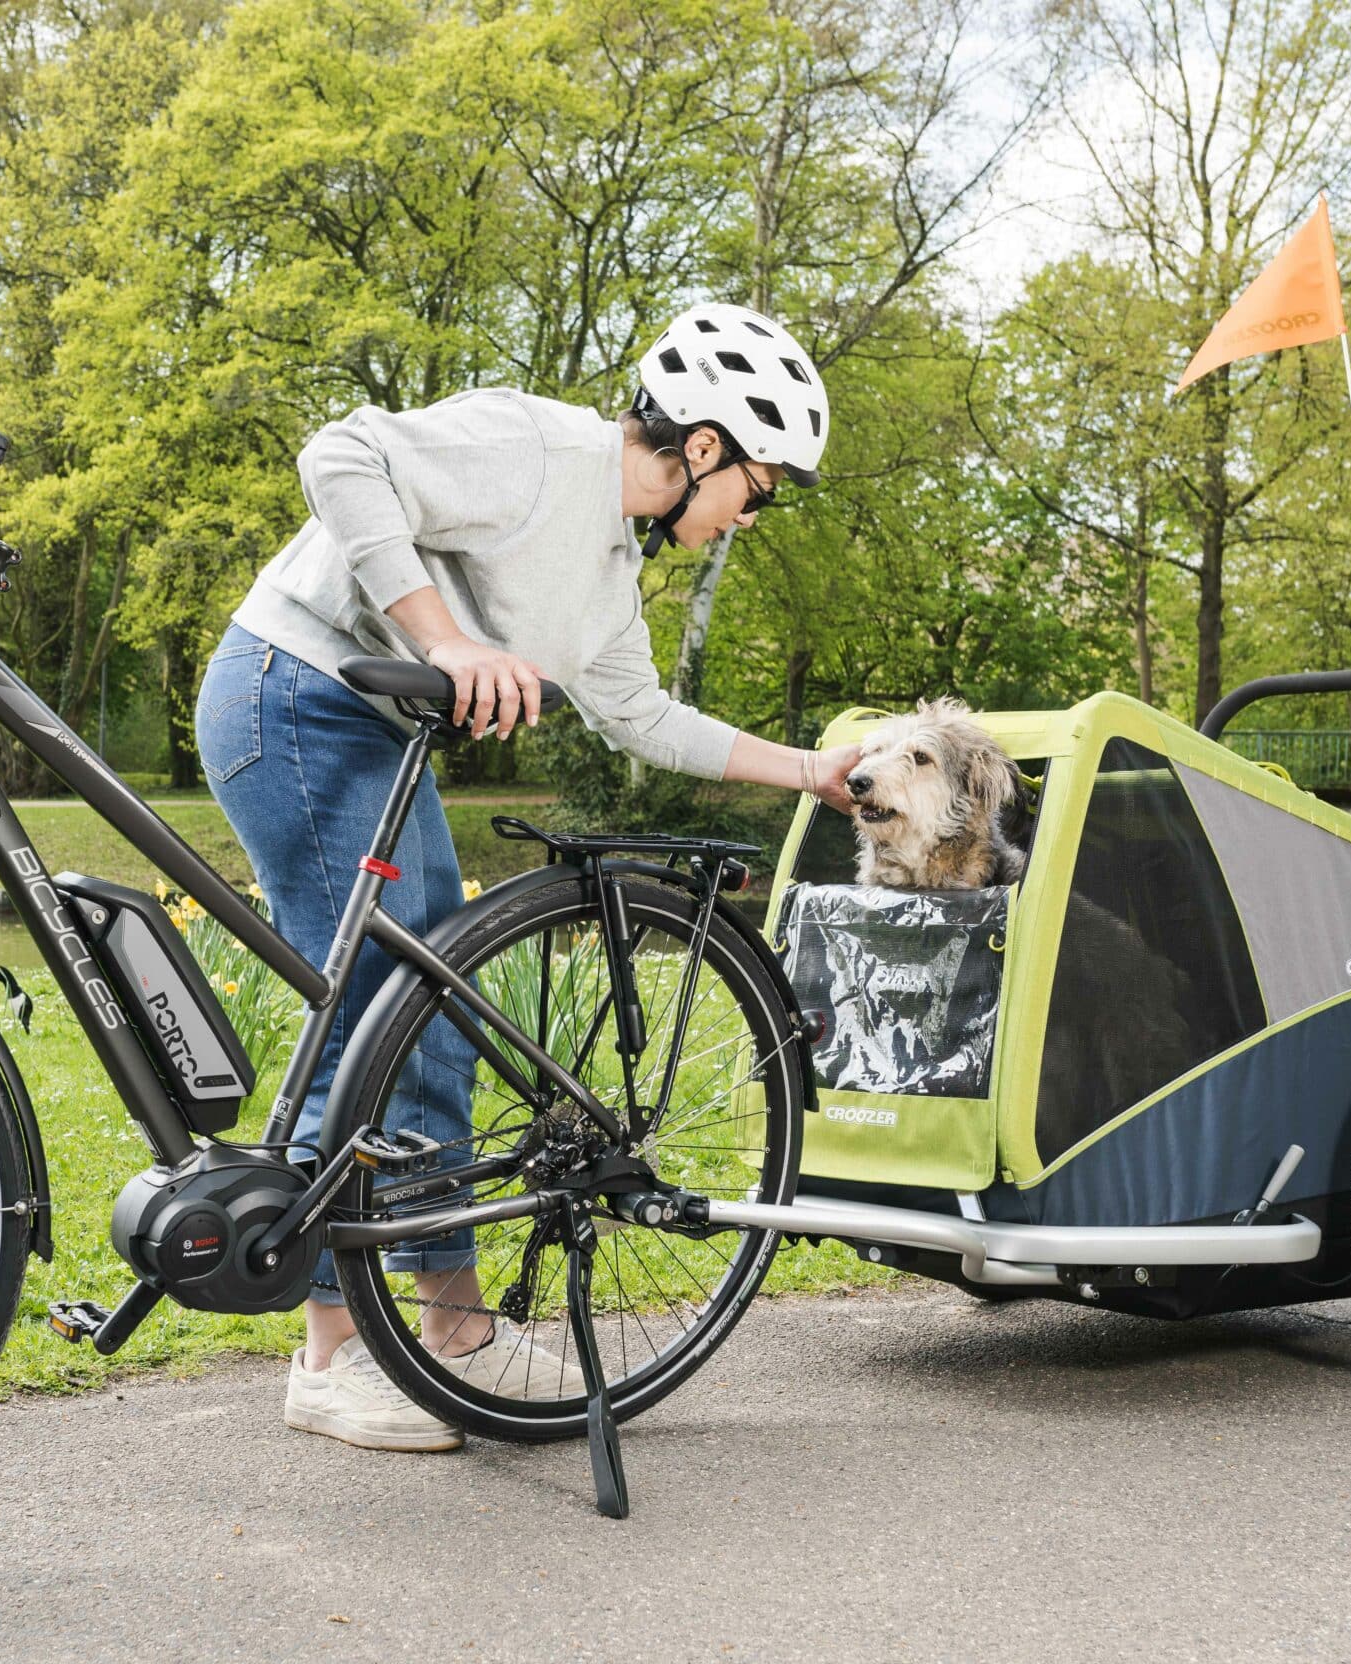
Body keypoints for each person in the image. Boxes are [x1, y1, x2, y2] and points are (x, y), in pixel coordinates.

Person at [194, 303, 864, 1453]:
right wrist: (442, 637)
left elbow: (641, 715)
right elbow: (341, 455)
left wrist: (809, 772)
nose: (752, 513)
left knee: (434, 1010)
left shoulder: (606, 570)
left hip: (366, 732)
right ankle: (331, 1353)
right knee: (368, 1021)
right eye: (758, 485)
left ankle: (451, 1327)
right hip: (294, 695)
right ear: (703, 446)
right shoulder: (540, 449)